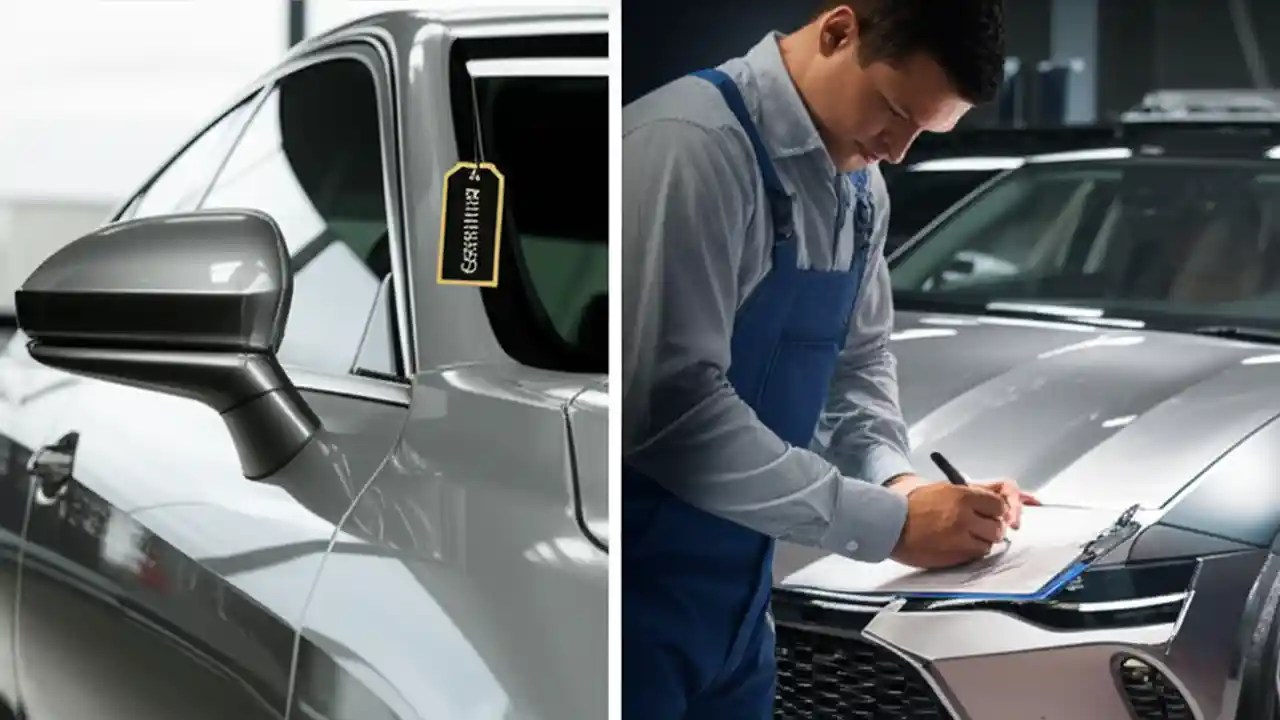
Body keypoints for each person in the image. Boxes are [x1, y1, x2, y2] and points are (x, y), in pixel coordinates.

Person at [621, 1, 1038, 718]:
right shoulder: (691, 146)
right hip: (634, 601)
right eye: (894, 111)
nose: (899, 150)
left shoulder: (860, 188)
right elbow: (671, 415)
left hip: (741, 607)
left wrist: (903, 484)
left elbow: (859, 369)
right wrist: (891, 525)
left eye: (925, 130)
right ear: (839, 32)